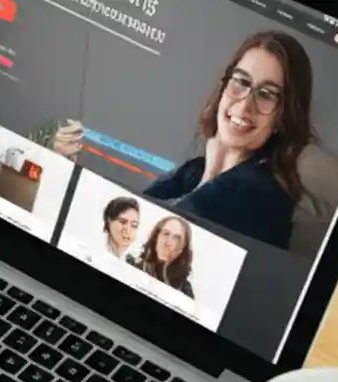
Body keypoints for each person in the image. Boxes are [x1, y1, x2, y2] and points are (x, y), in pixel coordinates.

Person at [36, 32, 315, 250]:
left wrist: (212, 170)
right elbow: (134, 209)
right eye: (240, 82)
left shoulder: (262, 192)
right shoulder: (196, 169)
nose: (244, 105)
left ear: (284, 116)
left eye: (266, 94)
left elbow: (140, 233)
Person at [137, 215, 195, 299]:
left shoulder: (184, 290)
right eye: (166, 234)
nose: (168, 243)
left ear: (183, 248)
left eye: (177, 238)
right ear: (156, 238)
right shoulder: (134, 269)